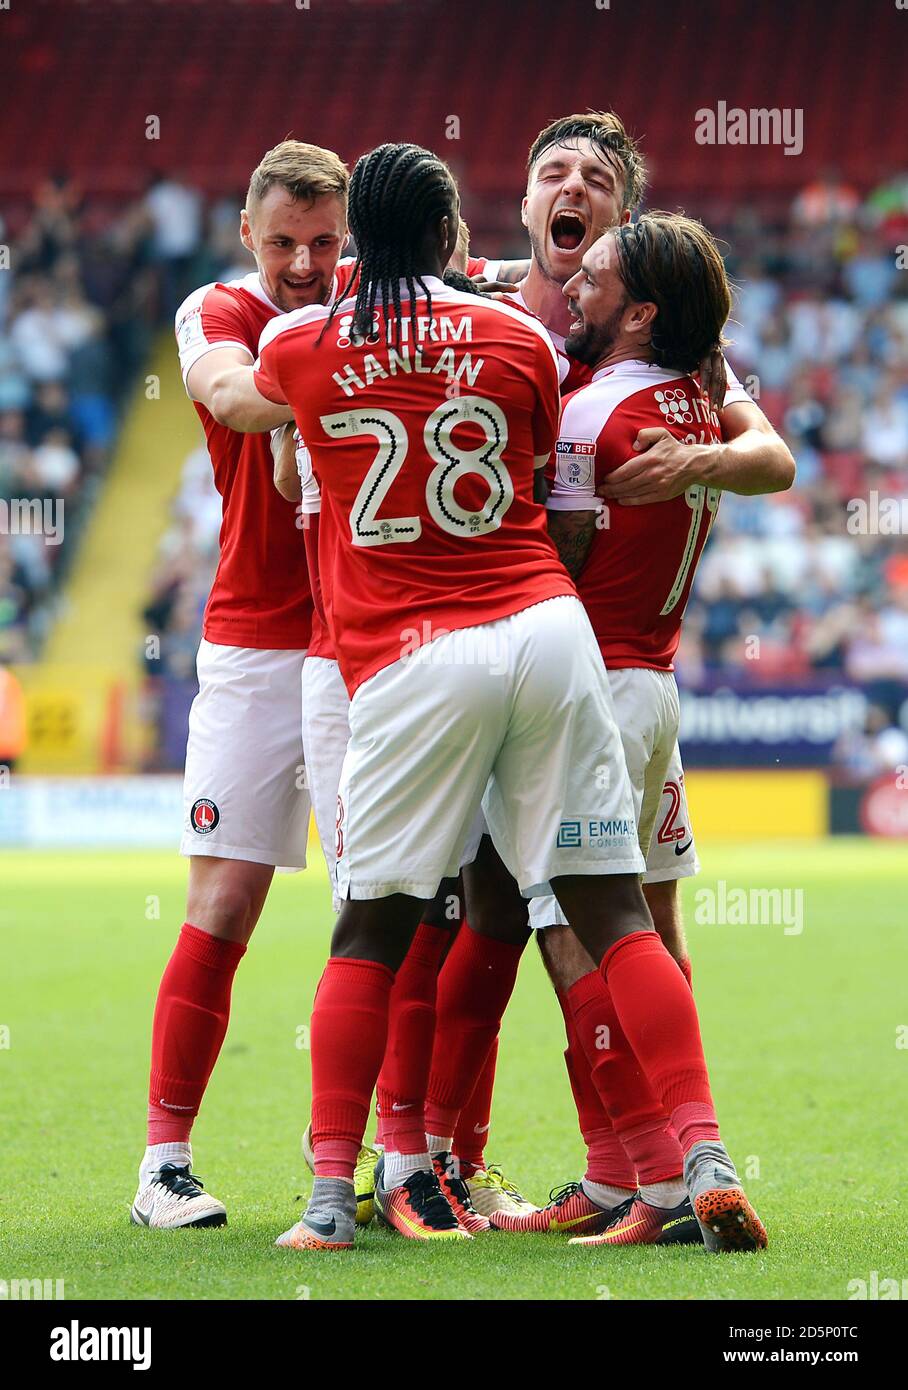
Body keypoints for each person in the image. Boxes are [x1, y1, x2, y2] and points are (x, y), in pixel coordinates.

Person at [220, 140, 767, 1255]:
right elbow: (538, 476)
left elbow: (251, 412)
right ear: (451, 234)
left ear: (357, 243)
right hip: (551, 631)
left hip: (412, 651)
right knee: (614, 911)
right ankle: (695, 1156)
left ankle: (338, 1193)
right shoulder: (525, 339)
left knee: (374, 926)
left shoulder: (301, 340)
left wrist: (212, 336)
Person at [131, 140, 356, 1231]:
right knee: (224, 901)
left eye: (324, 242)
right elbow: (228, 396)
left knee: (389, 909)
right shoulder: (214, 307)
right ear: (246, 238)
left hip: (371, 636)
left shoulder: (380, 289)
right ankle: (162, 1164)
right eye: (284, 244)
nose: (307, 263)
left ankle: (403, 1161)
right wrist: (325, 362)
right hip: (258, 639)